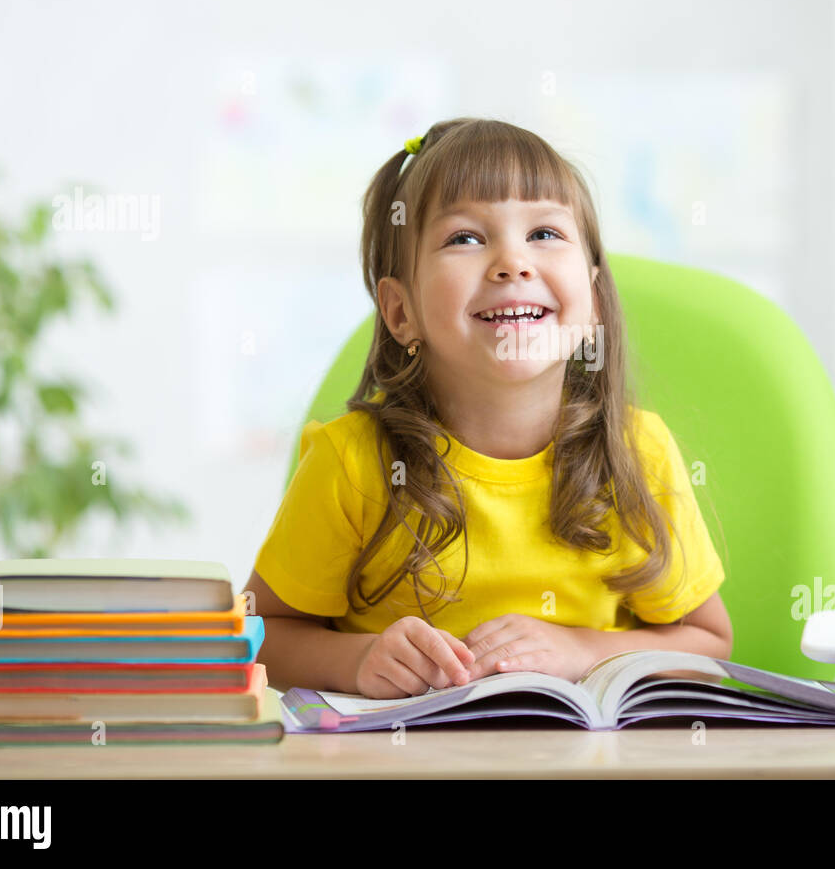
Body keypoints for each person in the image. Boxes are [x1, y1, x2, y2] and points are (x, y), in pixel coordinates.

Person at [244, 117, 731, 698]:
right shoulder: (351, 463)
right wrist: (358, 659)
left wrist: (582, 650)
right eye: (466, 239)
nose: (513, 263)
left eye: (545, 233)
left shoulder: (635, 454)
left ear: (595, 299)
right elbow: (259, 633)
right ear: (401, 313)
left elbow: (708, 642)